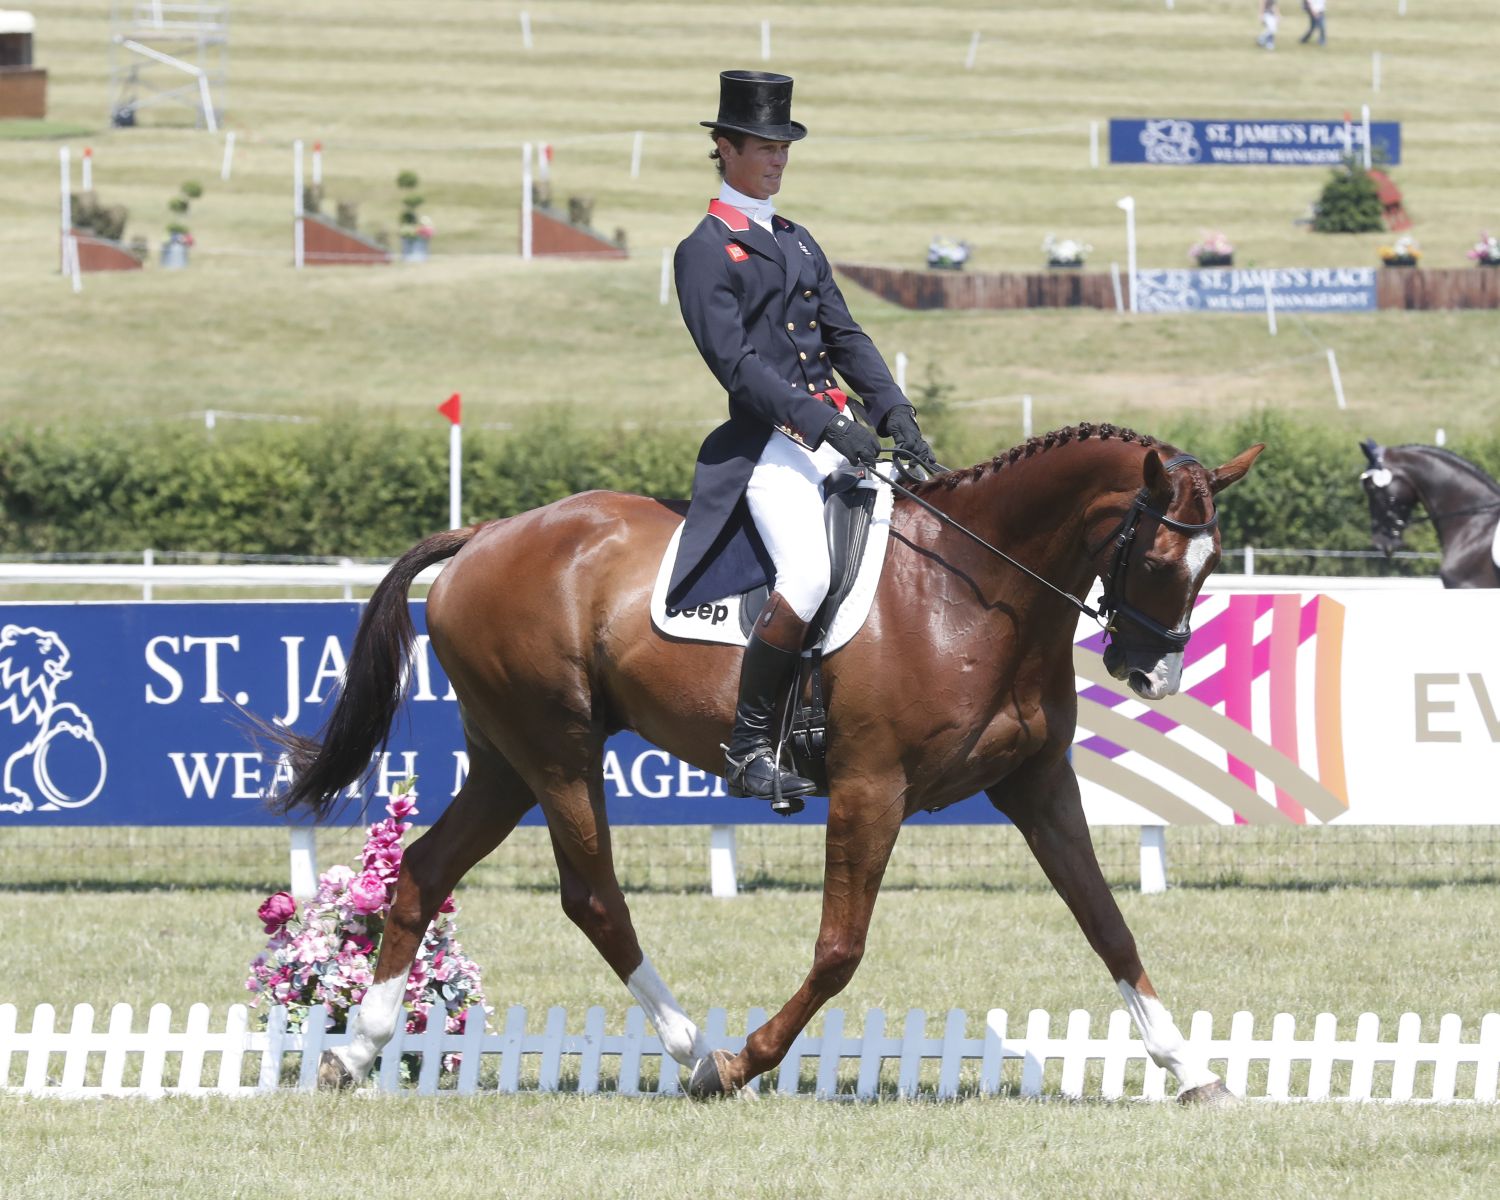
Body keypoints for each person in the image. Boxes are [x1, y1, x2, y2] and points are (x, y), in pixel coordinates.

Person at [668, 69, 939, 806]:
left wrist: (893, 413)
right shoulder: (703, 250)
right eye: (761, 145)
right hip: (768, 445)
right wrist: (825, 423)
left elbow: (844, 336)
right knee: (811, 575)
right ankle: (752, 745)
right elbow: (737, 365)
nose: (777, 158)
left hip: (837, 437)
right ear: (724, 149)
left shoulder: (796, 239)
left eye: (783, 145)